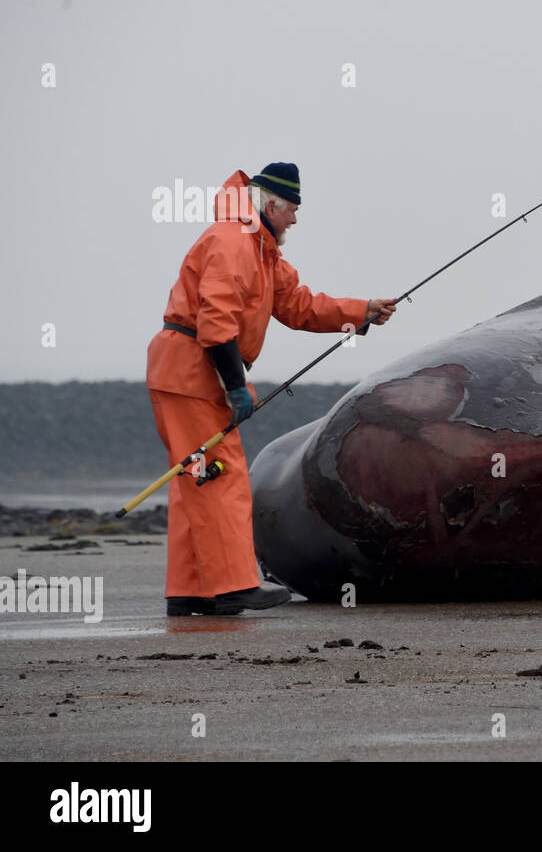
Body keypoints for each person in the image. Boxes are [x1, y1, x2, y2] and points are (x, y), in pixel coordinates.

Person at [145, 162, 398, 616]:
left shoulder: (262, 252)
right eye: (293, 210)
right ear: (272, 203)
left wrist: (360, 311)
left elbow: (299, 306)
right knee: (220, 474)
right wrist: (237, 388)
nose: (296, 220)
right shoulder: (231, 242)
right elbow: (215, 326)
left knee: (195, 476)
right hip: (191, 373)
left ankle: (191, 590)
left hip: (188, 373)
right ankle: (232, 586)